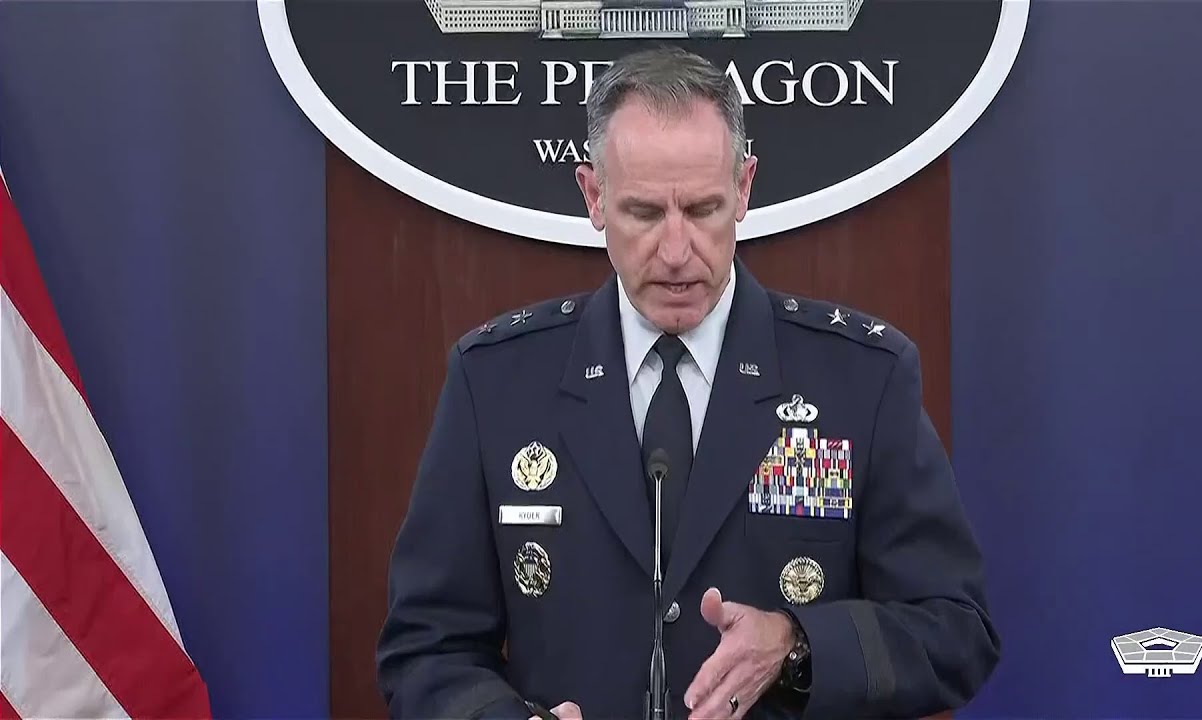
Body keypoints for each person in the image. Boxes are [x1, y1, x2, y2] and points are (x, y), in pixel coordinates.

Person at [375, 46, 999, 720]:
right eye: (644, 213)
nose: (676, 252)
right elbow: (425, 648)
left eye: (702, 210)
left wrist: (798, 647)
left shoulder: (861, 380)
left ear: (745, 189)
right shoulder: (495, 383)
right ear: (593, 197)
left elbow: (956, 631)